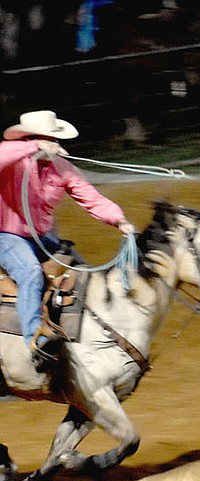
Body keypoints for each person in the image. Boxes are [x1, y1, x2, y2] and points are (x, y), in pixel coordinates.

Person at [0, 110, 136, 371]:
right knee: (29, 272)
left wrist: (119, 220)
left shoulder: (61, 168)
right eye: (47, 138)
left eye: (54, 139)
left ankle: (83, 334)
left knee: (80, 271)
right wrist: (33, 147)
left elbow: (89, 196)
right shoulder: (13, 161)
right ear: (31, 138)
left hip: (40, 238)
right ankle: (35, 340)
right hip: (6, 235)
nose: (54, 144)